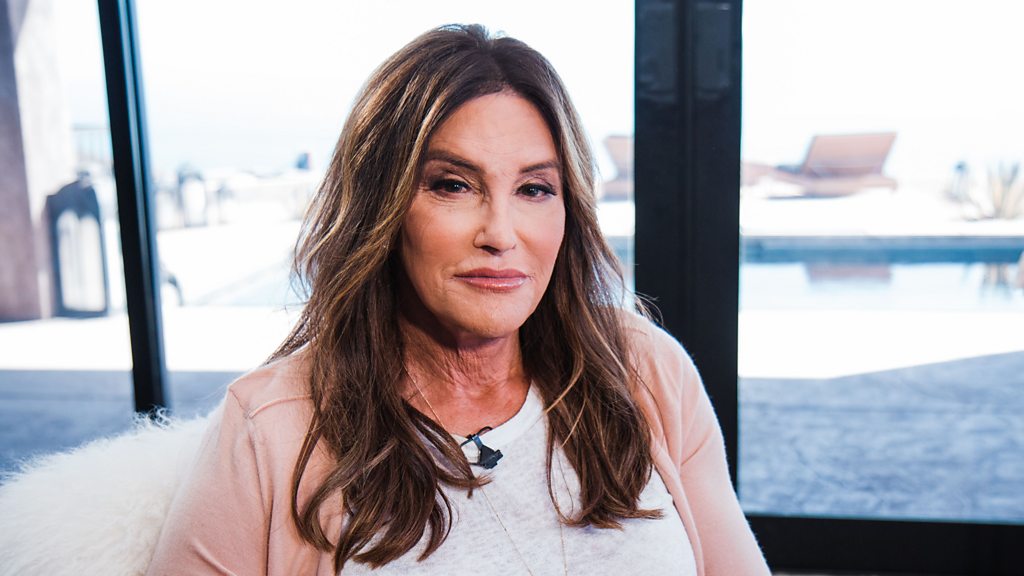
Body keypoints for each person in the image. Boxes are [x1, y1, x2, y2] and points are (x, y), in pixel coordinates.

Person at [147, 24, 770, 576]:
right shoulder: (272, 424)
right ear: (382, 208)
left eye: (534, 189)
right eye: (453, 185)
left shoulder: (642, 366)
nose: (500, 234)